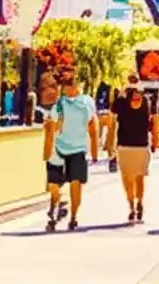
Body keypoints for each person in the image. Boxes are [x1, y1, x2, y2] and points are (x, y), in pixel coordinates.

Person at [42, 66, 98, 231]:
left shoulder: (85, 103)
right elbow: (52, 128)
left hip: (74, 150)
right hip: (63, 149)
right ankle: (60, 205)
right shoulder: (62, 104)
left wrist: (94, 150)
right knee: (59, 184)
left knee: (73, 183)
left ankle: (71, 214)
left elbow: (92, 126)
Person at [112, 74, 153, 223]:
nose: (133, 85)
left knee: (138, 177)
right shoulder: (122, 100)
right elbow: (113, 110)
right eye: (131, 82)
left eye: (135, 81)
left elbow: (151, 116)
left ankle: (139, 202)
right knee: (128, 178)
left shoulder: (145, 100)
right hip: (125, 144)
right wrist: (123, 91)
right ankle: (132, 206)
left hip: (139, 144)